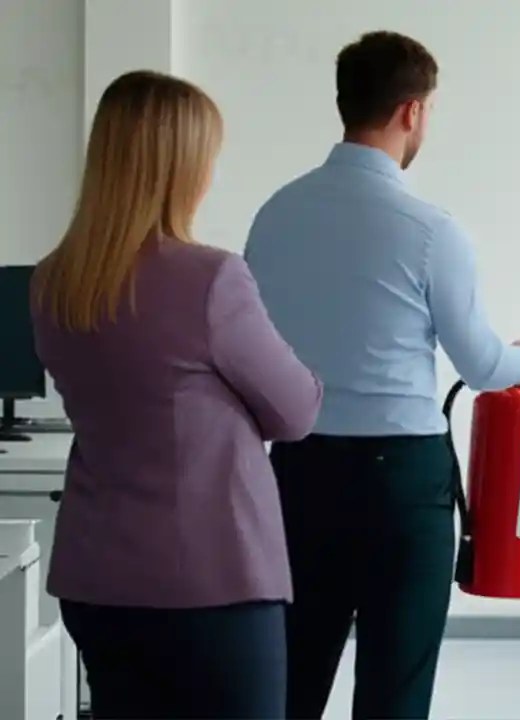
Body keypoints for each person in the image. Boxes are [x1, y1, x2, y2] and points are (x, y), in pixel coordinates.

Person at [243, 30, 520, 719]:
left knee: (292, 678)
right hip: (402, 484)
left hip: (301, 469)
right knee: (395, 689)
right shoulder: (428, 229)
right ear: (411, 111)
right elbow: (481, 365)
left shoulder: (275, 216)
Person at [29, 70, 322, 719]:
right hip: (212, 585)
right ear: (183, 166)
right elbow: (296, 410)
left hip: (97, 580)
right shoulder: (212, 278)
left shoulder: (53, 283)